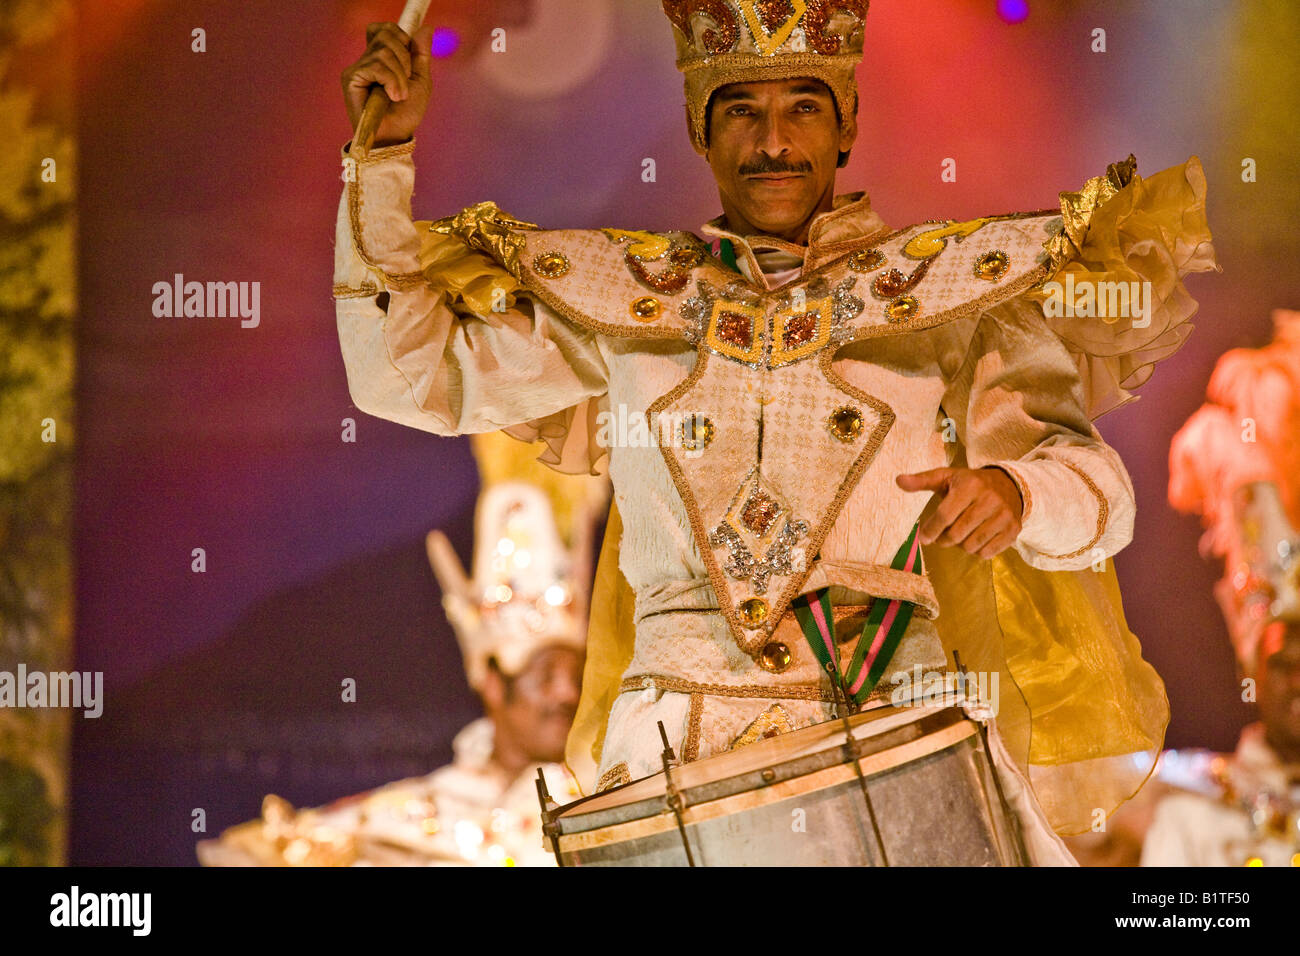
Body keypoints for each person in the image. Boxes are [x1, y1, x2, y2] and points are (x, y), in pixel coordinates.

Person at [333, 1, 1216, 863]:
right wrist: (383, 157)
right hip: (676, 754)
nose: (773, 143)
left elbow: (1099, 494)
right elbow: (401, 377)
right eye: (741, 112)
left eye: (802, 107)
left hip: (893, 731)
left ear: (848, 122)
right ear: (697, 127)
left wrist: (1019, 494)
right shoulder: (622, 304)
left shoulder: (947, 294)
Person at [198, 464, 591, 867]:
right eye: (545, 676)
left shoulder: (598, 799)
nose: (568, 693)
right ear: (492, 682)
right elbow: (247, 853)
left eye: (577, 676)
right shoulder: (419, 813)